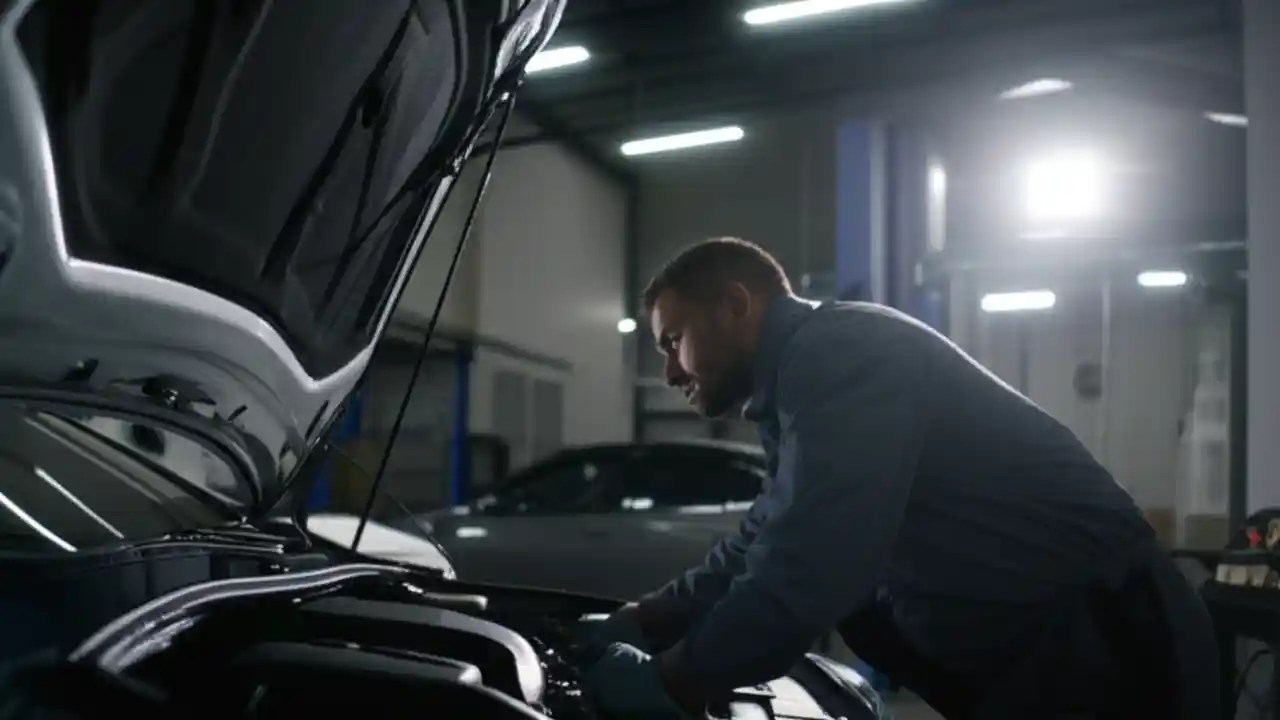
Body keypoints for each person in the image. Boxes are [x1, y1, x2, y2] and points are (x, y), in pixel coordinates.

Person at [583, 238, 1219, 719]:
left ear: (735, 305)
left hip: (1107, 642)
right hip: (1045, 647)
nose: (668, 370)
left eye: (673, 340)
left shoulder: (839, 354)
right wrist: (651, 617)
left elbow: (807, 566)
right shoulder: (803, 384)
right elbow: (765, 537)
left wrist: (674, 683)